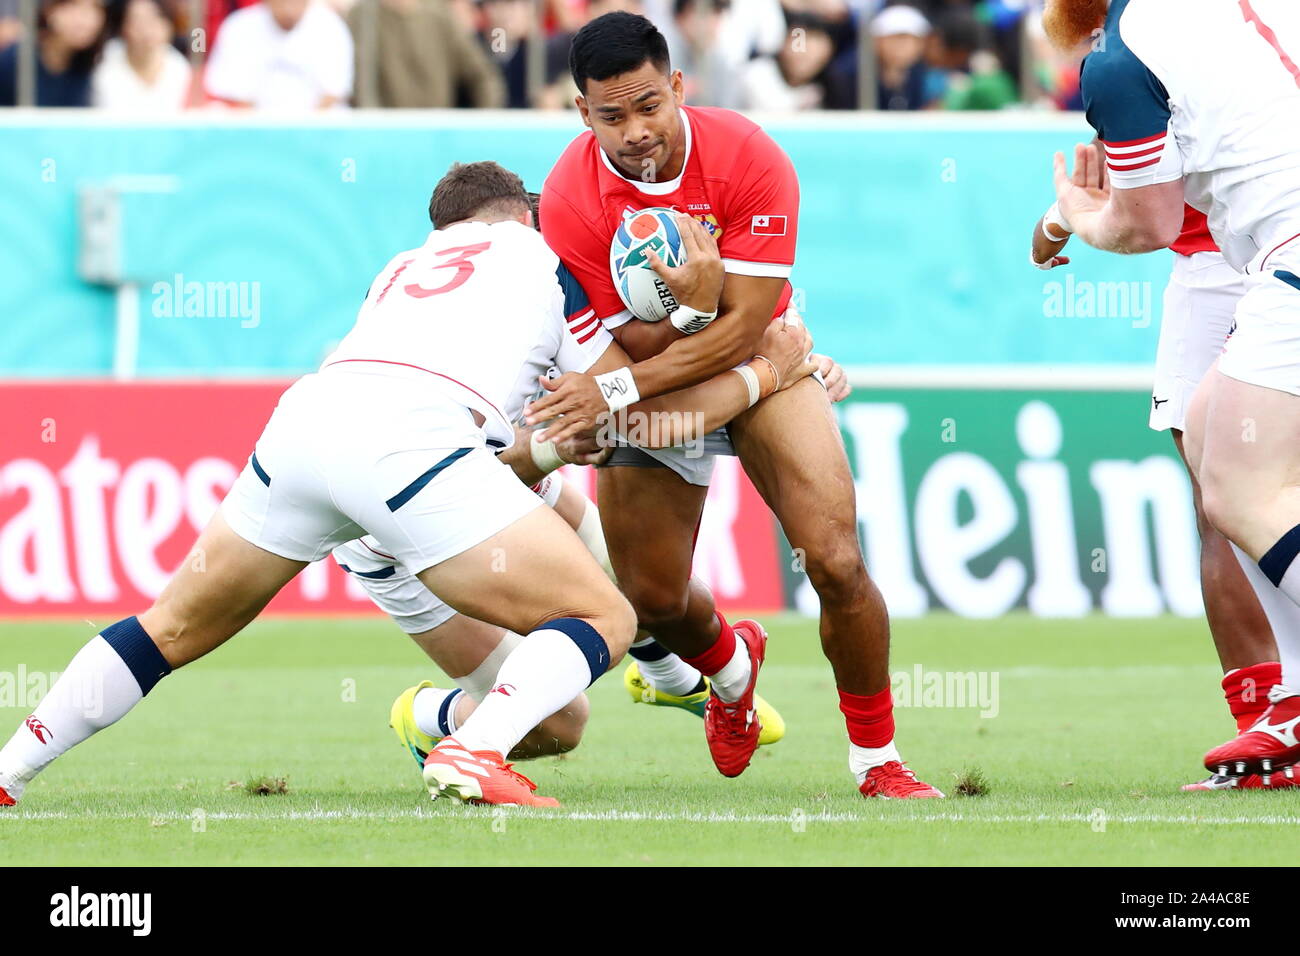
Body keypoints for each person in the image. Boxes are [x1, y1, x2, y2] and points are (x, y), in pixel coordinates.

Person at [0, 160, 816, 809]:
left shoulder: (400, 267)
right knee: (601, 610)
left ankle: (11, 768)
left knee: (167, 628)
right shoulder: (544, 260)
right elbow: (620, 412)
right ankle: (479, 746)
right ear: (527, 217)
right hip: (410, 446)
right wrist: (746, 361)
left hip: (308, 426)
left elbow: (532, 458)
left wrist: (551, 449)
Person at [533, 12, 943, 798]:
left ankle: (878, 760)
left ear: (679, 86)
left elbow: (748, 329)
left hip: (762, 366)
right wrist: (700, 324)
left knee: (835, 560)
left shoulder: (748, 154)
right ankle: (733, 672)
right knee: (650, 599)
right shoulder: (569, 200)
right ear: (583, 113)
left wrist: (705, 344)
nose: (636, 131)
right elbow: (645, 358)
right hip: (692, 382)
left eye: (649, 105)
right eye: (611, 116)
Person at [1043, 0, 1300, 781]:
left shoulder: (1117, 58)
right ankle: (1290, 698)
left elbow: (1149, 222)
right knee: (1212, 429)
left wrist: (1077, 218)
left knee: (1242, 491)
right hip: (1270, 255)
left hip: (1284, 249)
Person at [346, 0, 504, 108]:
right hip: (385, 136)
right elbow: (358, 86)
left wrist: (483, 126)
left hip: (437, 136)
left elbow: (482, 76)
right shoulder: (363, 17)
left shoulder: (440, 16)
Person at [204, 0, 353, 109]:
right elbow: (232, 97)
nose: (289, 7)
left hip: (317, 137)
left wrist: (302, 136)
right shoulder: (239, 26)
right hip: (253, 136)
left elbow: (333, 94)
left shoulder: (330, 26)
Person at [0, 0, 105, 106]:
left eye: (95, 7)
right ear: (50, 9)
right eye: (72, 6)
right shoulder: (15, 60)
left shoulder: (91, 61)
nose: (85, 19)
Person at [92, 0, 192, 111]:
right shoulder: (104, 61)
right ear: (123, 27)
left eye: (154, 19)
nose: (146, 29)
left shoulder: (179, 68)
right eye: (137, 21)